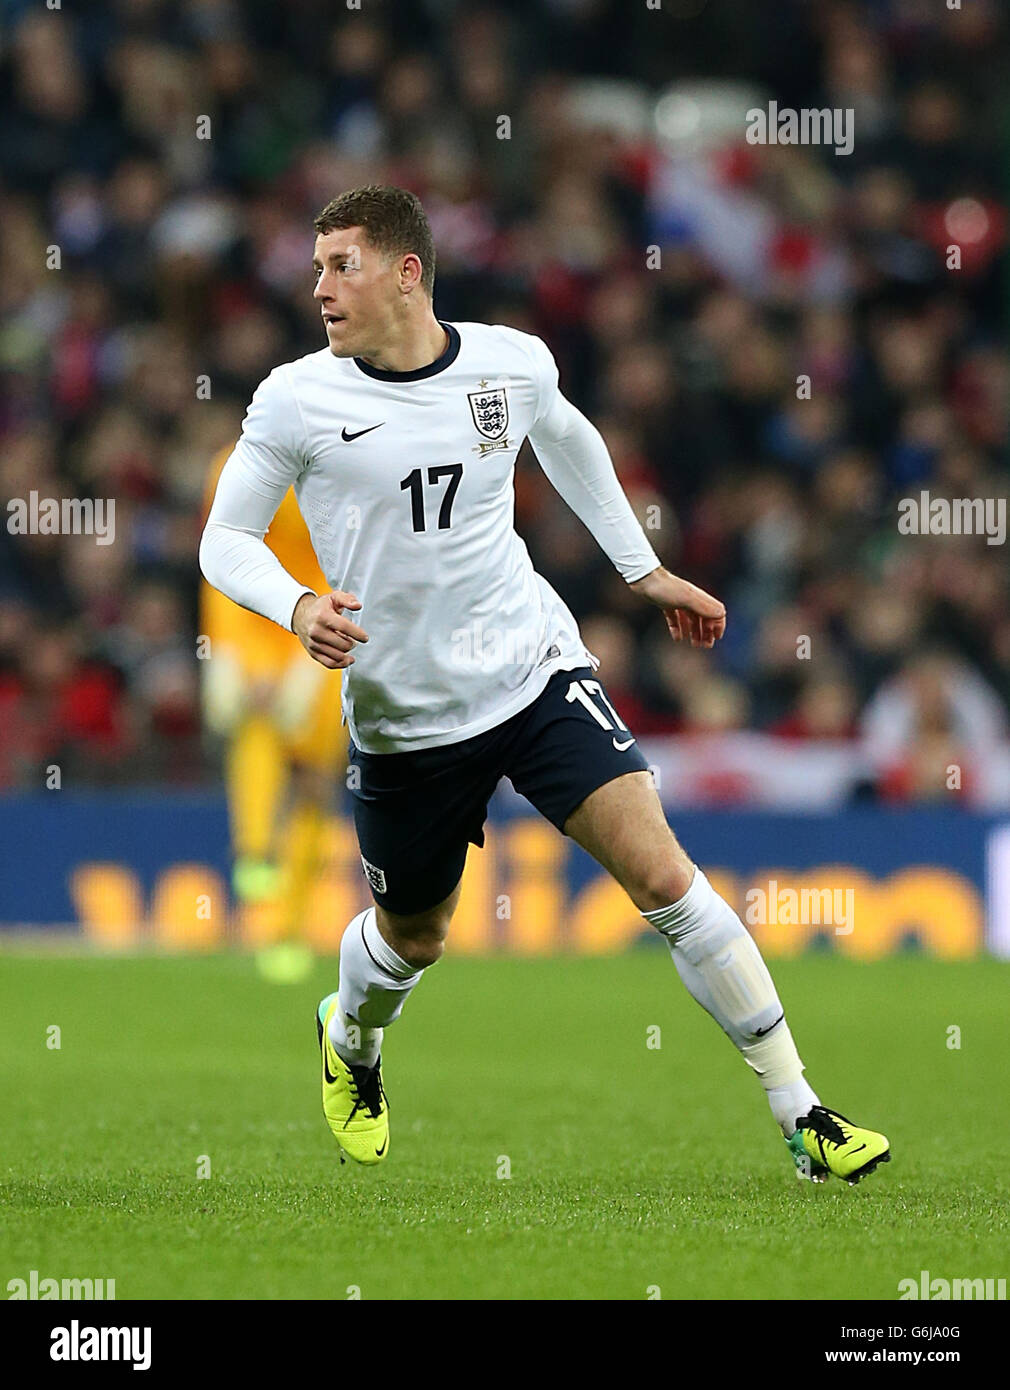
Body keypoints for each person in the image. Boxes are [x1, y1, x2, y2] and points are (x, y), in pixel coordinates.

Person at [200, 185, 889, 1184]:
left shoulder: (506, 365)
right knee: (416, 936)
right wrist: (298, 606)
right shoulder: (298, 399)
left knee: (662, 875)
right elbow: (224, 538)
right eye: (315, 268)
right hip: (406, 718)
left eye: (337, 265)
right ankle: (350, 1038)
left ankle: (800, 1112)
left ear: (404, 273)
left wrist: (638, 569)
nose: (318, 288)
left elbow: (565, 437)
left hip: (531, 669)